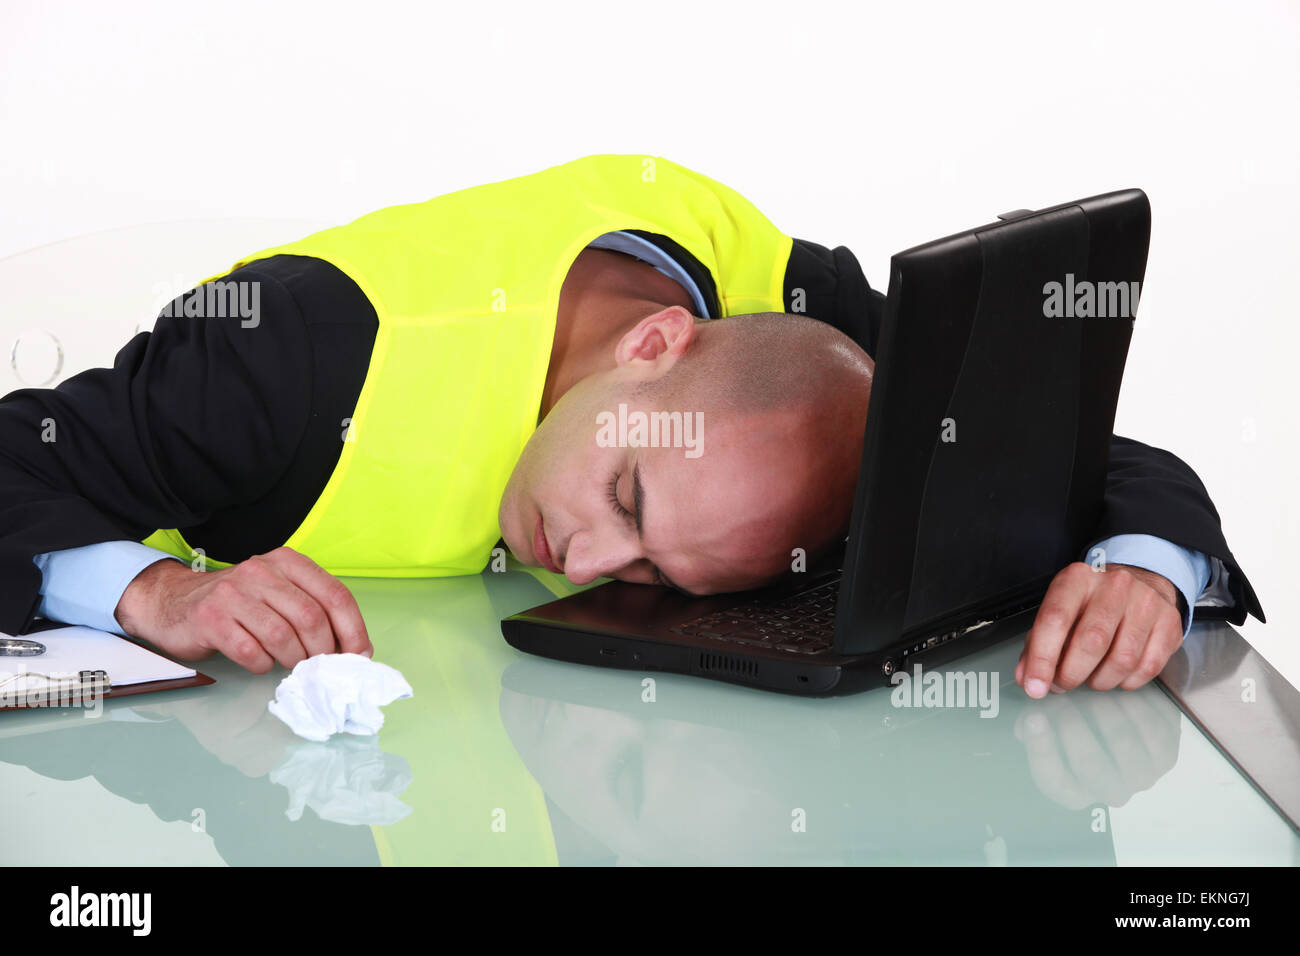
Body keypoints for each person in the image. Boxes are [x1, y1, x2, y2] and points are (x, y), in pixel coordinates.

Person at [0, 155, 1264, 698]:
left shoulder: (783, 319)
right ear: (649, 348)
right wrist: (154, 587)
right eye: (629, 502)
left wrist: (1143, 569)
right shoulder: (279, 355)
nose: (588, 569)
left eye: (660, 575)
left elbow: (1076, 450)